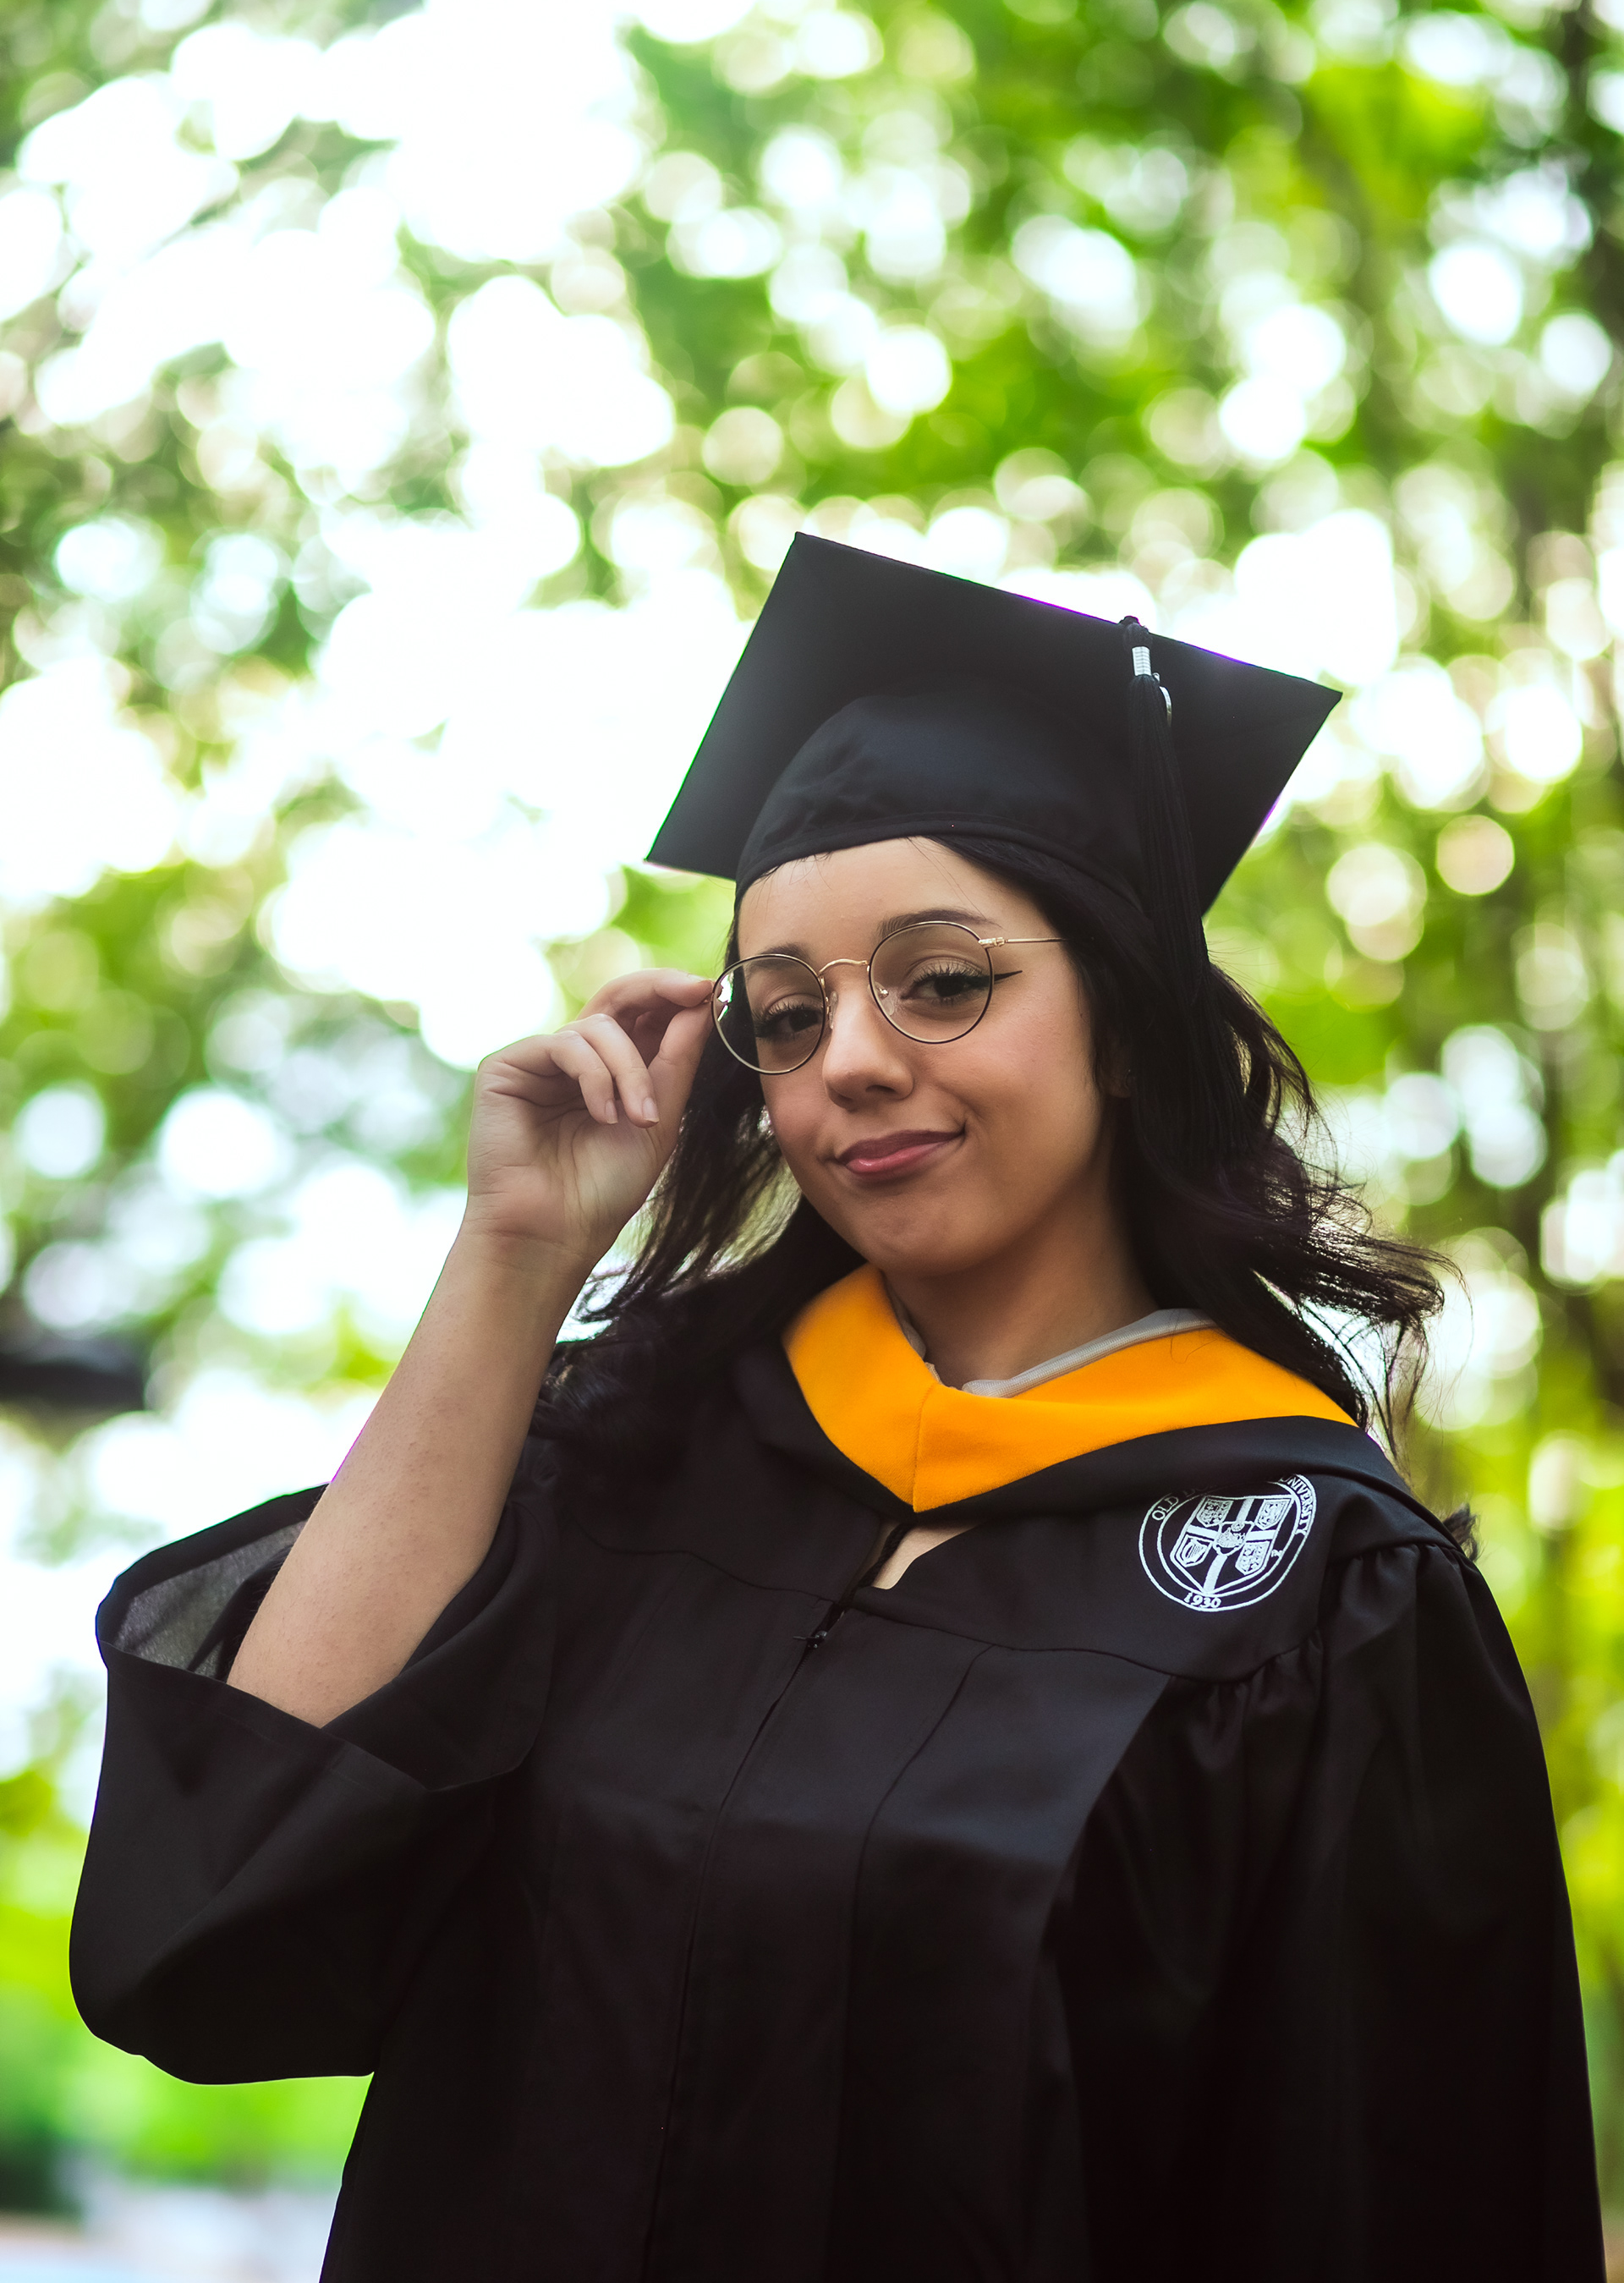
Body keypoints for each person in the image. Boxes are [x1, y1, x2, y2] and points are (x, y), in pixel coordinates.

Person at [72, 538, 1603, 2282]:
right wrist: (513, 1255)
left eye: (944, 981)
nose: (849, 1060)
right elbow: (206, 1928)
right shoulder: (627, 1466)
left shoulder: (1324, 1606)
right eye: (785, 1018)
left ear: (1121, 1016)